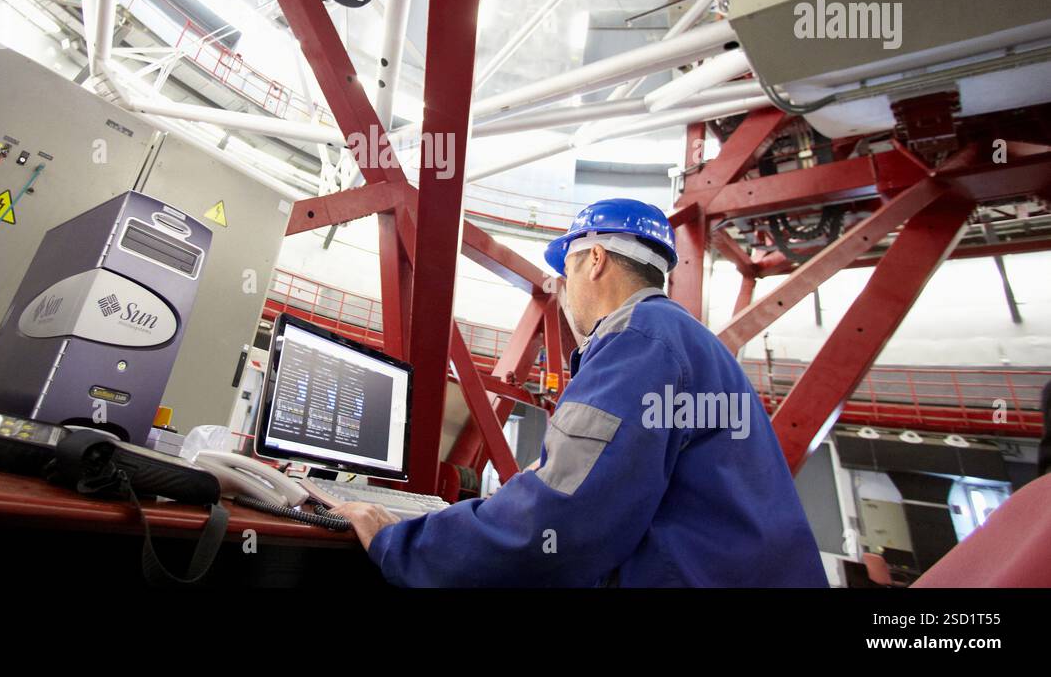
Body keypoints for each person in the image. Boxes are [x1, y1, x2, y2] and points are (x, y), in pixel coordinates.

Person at [331, 198, 827, 587]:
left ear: (594, 260)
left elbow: (562, 524)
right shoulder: (690, 343)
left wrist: (399, 543)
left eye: (566, 273)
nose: (564, 292)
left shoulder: (637, 341)